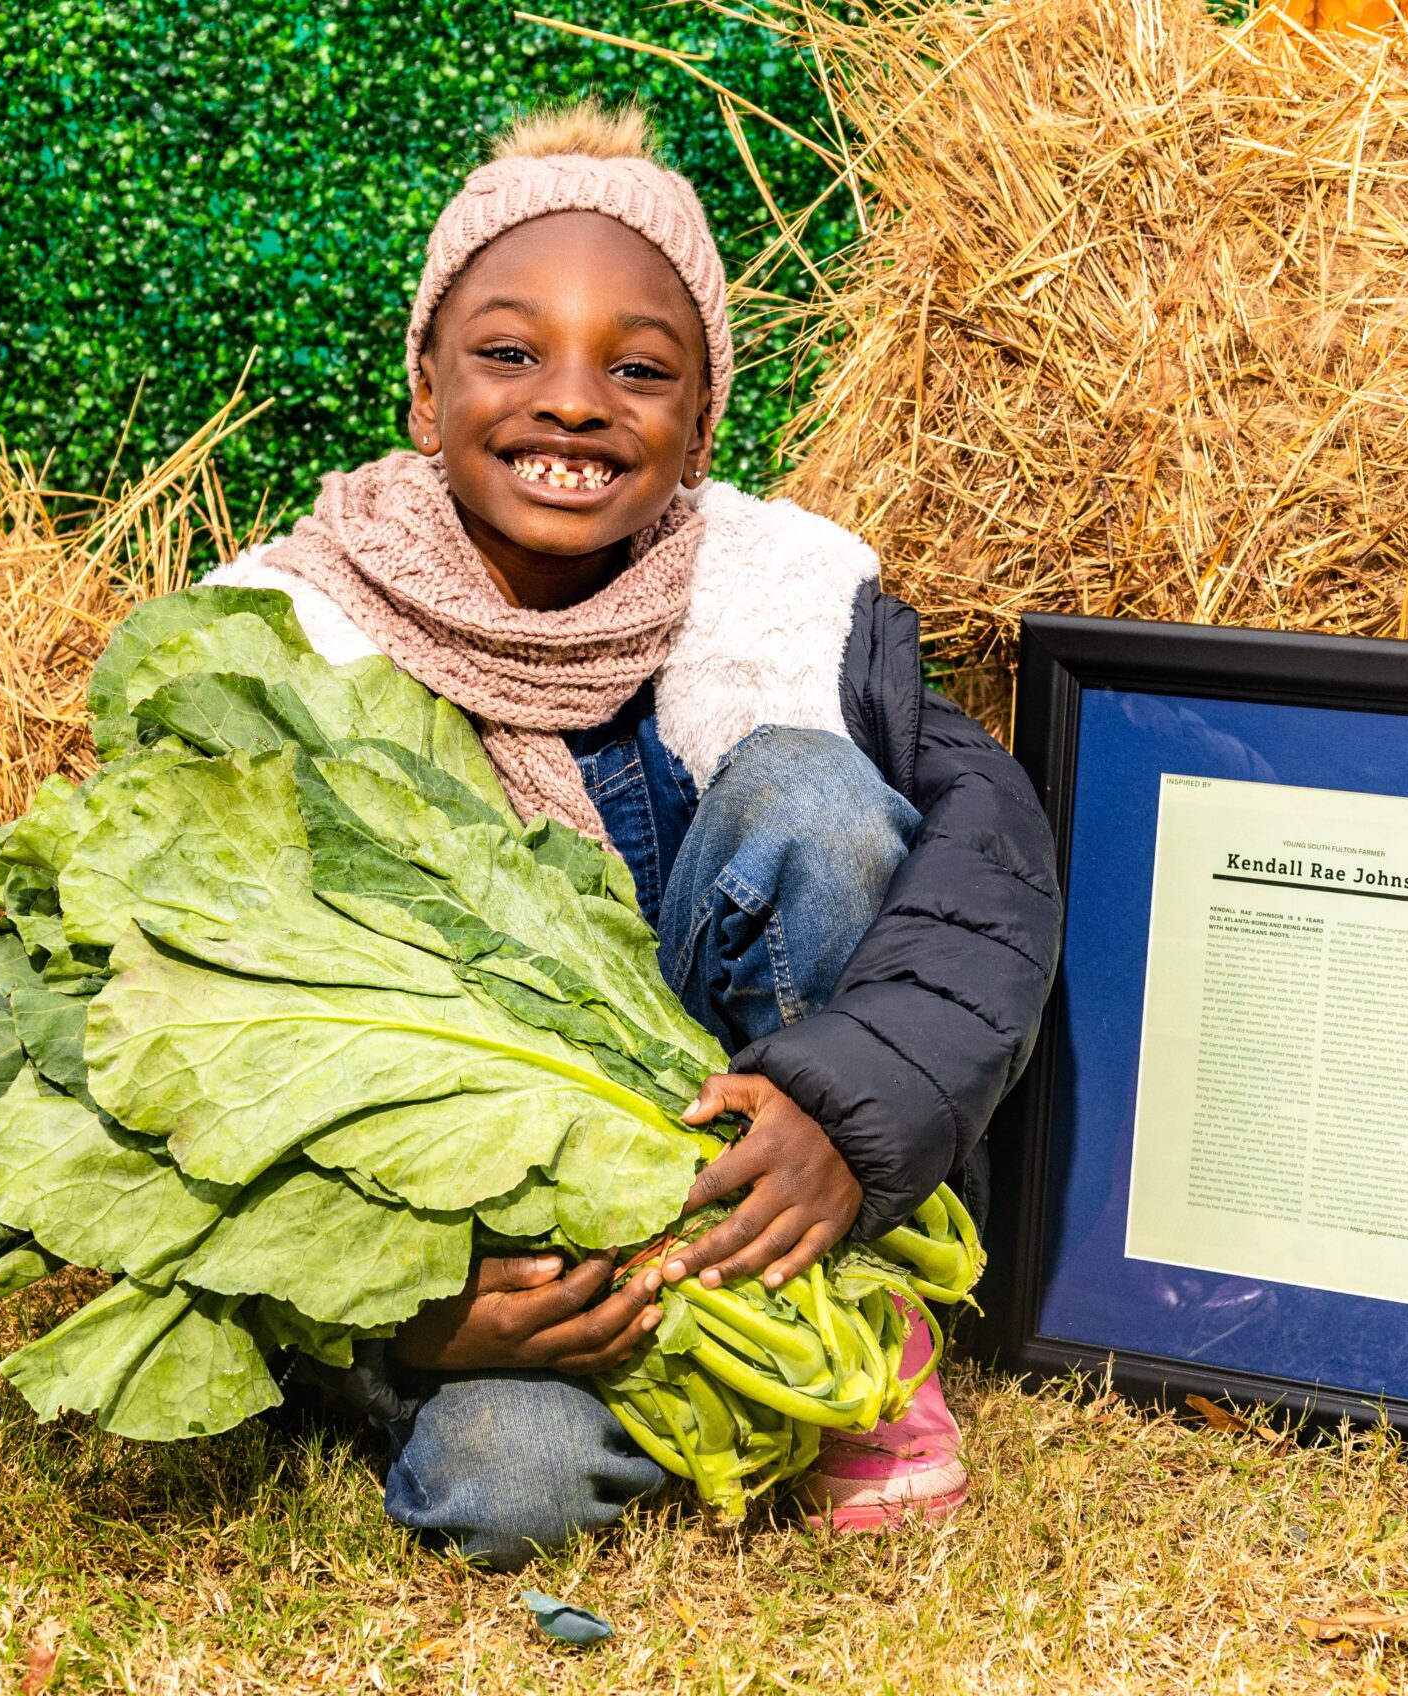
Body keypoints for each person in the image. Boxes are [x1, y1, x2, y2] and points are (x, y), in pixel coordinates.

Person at [207, 102, 1062, 1565]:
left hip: (761, 1141)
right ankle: (657, 1365)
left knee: (812, 791)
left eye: (640, 368)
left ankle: (838, 1315)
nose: (573, 399)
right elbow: (216, 1040)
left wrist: (844, 1121)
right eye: (509, 351)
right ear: (424, 390)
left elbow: (991, 873)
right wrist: (420, 1310)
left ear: (701, 420)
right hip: (503, 1216)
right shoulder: (296, 644)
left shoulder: (786, 612)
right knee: (502, 1491)